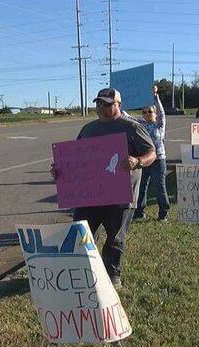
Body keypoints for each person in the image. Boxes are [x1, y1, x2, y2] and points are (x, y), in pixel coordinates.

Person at [51, 88, 156, 289]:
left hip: (120, 196)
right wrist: (60, 170)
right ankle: (85, 272)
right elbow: (75, 158)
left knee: (115, 238)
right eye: (99, 103)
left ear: (118, 105)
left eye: (107, 103)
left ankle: (112, 275)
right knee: (83, 235)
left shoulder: (131, 127)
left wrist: (137, 161)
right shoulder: (88, 129)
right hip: (90, 195)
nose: (101, 107)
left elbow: (151, 153)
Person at [135, 85, 170, 222]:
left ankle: (163, 213)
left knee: (160, 186)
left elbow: (162, 112)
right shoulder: (140, 124)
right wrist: (119, 106)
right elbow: (126, 117)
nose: (147, 114)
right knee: (142, 186)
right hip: (145, 160)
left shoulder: (159, 125)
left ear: (154, 114)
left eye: (149, 111)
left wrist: (156, 96)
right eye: (144, 112)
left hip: (159, 160)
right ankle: (139, 211)